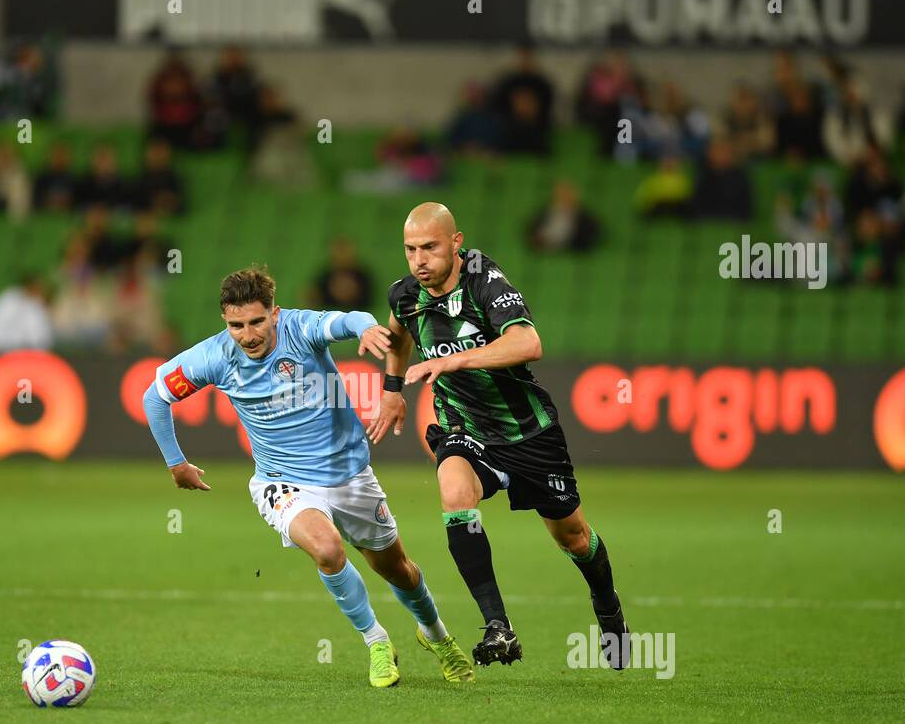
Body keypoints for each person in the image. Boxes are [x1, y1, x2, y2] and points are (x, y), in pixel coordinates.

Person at [141, 266, 475, 687]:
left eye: (257, 322)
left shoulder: (302, 328)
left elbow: (346, 320)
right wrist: (176, 462)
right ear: (225, 321)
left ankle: (436, 636)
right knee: (327, 549)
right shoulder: (213, 356)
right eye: (236, 325)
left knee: (399, 571)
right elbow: (155, 396)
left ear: (275, 314)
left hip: (349, 474)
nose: (247, 335)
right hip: (282, 481)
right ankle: (376, 641)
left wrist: (368, 328)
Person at [368, 202, 632, 669]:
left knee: (573, 537)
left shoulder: (484, 281)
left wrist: (454, 360)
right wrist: (392, 391)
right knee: (454, 492)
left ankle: (607, 603)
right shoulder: (405, 295)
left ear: (456, 242)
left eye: (429, 247)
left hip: (528, 431)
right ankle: (498, 626)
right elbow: (398, 336)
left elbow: (528, 342)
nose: (419, 260)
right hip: (464, 426)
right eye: (410, 250)